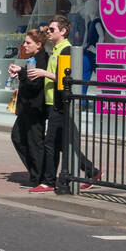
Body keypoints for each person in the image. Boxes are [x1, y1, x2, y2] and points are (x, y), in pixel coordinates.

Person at [31, 15, 99, 193]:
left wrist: (43, 73)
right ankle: (92, 172)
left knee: (51, 143)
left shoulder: (66, 50)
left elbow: (65, 79)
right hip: (52, 101)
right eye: (48, 29)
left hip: (60, 103)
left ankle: (49, 181)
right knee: (61, 143)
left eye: (52, 30)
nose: (48, 32)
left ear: (63, 31)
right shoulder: (55, 49)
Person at [8, 28, 49, 187]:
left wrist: (22, 73)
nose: (24, 45)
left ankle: (38, 176)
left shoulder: (41, 59)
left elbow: (35, 84)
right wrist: (20, 74)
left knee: (34, 142)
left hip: (34, 108)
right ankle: (36, 172)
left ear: (38, 44)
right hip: (27, 108)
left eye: (28, 42)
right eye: (24, 42)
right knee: (18, 137)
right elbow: (29, 80)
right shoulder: (33, 58)